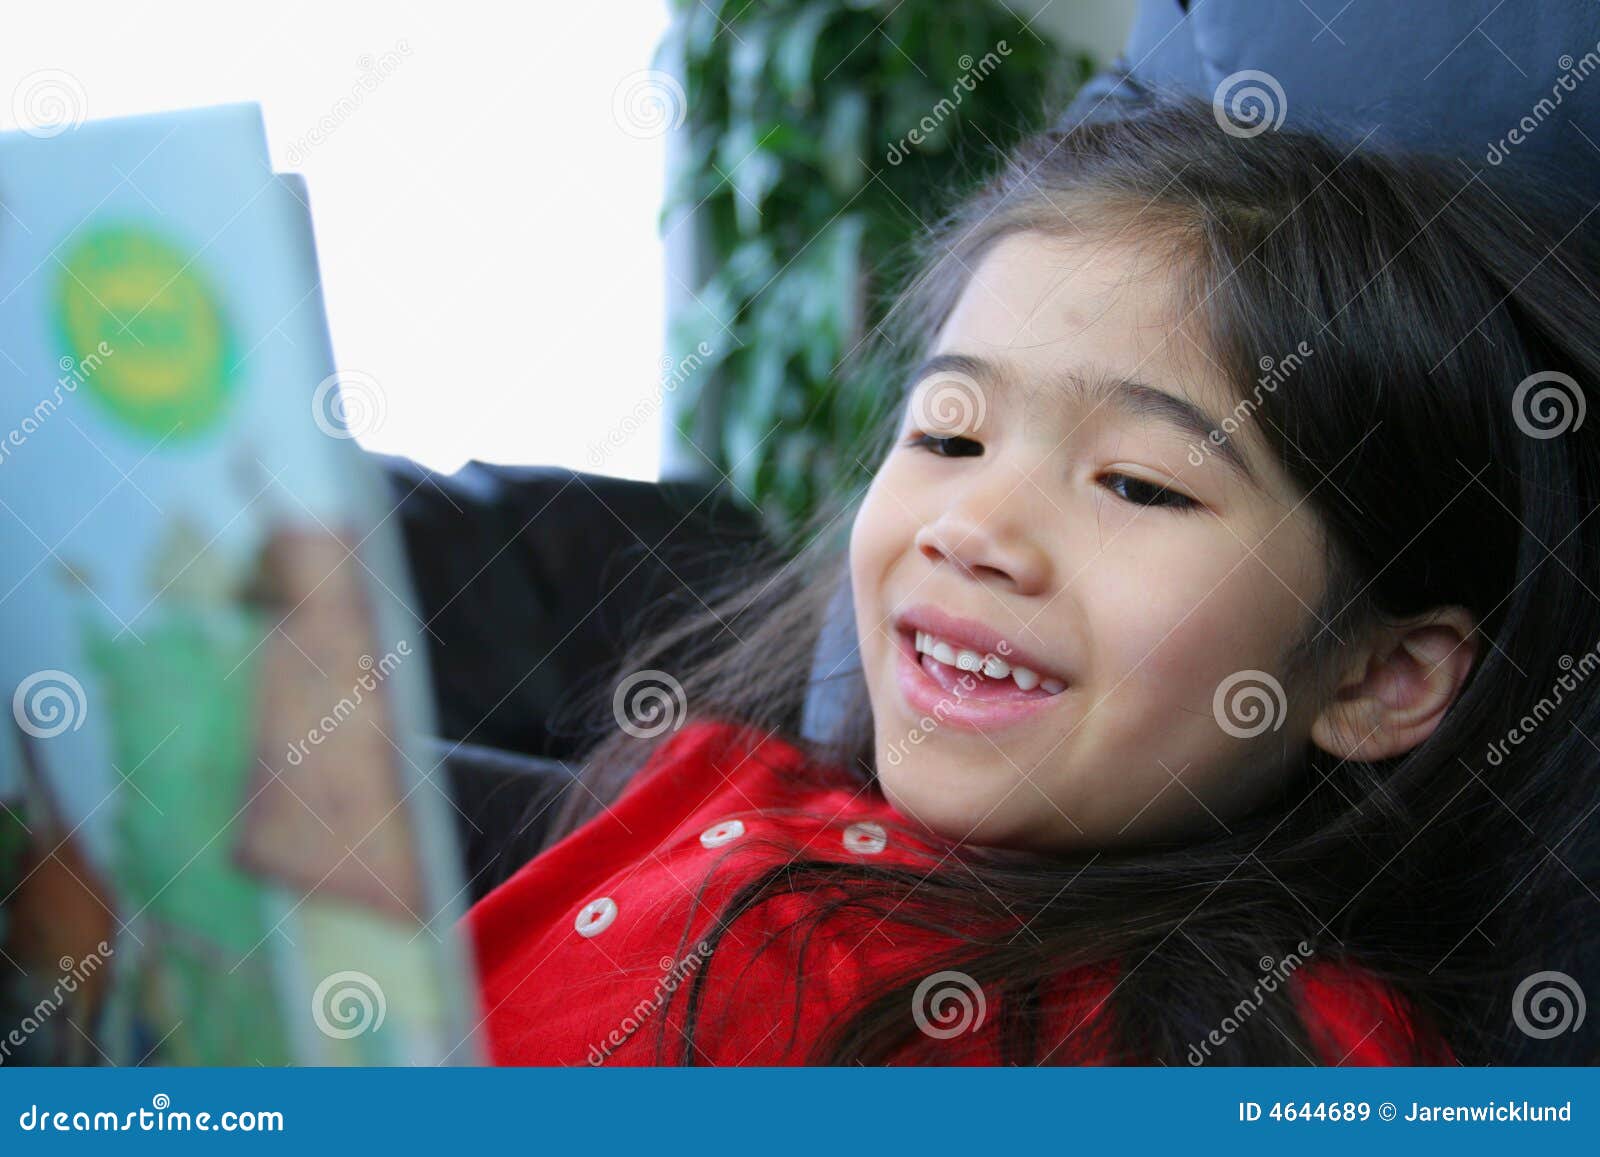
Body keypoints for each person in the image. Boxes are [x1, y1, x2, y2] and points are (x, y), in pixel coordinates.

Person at [466, 93, 1600, 1065]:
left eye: (1138, 485)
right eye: (949, 438)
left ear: (1379, 674)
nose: (973, 526)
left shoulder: (1263, 1042)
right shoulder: (708, 779)